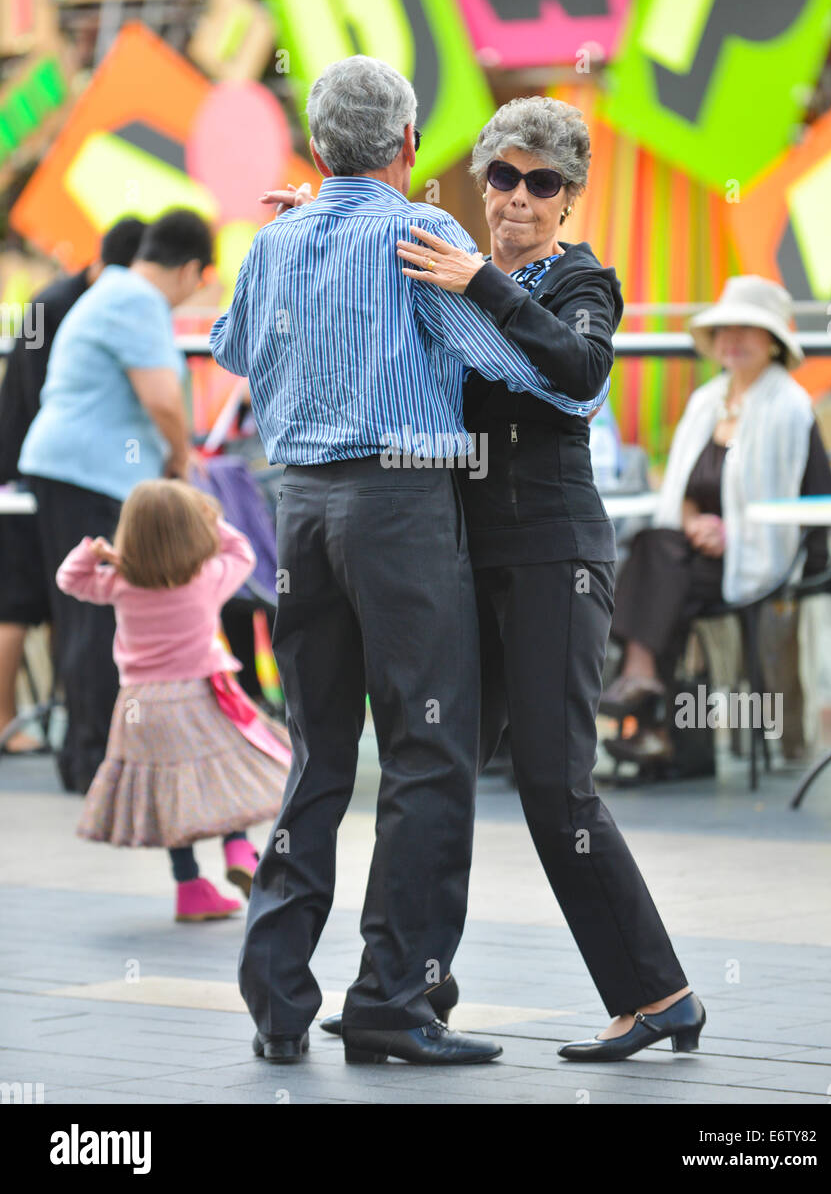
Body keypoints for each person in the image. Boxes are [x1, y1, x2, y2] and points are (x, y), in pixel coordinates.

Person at [211, 57, 605, 1067]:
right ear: (410, 148)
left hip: (296, 512)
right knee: (430, 751)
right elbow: (545, 380)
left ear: (313, 150)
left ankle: (276, 996)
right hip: (402, 508)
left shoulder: (276, 238)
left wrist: (307, 241)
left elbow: (234, 348)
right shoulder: (427, 237)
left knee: (319, 753)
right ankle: (394, 995)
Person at [386, 96, 705, 1061]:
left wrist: (485, 282)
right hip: (466, 555)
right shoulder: (447, 264)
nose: (517, 199)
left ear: (569, 199)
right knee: (431, 773)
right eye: (502, 177)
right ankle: (403, 992)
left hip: (554, 556)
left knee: (554, 789)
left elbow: (578, 367)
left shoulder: (578, 280)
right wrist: (310, 221)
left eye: (541, 183)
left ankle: (658, 994)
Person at [603, 275, 831, 768]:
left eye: (746, 329)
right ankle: (653, 715)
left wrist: (735, 534)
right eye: (725, 328)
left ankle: (645, 706)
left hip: (759, 555)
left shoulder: (791, 408)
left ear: (771, 339)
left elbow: (817, 499)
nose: (732, 339)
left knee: (657, 557)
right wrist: (695, 524)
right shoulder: (706, 402)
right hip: (693, 554)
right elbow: (683, 491)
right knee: (659, 550)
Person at [18, 210, 213, 793]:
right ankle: (98, 765)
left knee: (84, 618)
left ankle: (86, 761)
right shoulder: (138, 301)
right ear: (190, 270)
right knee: (99, 620)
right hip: (86, 475)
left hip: (68, 468)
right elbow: (163, 402)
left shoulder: (115, 289)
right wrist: (180, 463)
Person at [56, 480, 293, 921]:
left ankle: (189, 887)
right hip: (199, 693)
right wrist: (214, 521)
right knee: (221, 774)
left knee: (170, 790)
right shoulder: (205, 577)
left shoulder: (119, 581)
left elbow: (69, 579)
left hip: (139, 705)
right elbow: (244, 553)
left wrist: (95, 550)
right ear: (193, 531)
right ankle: (239, 849)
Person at [0, 218, 145, 754]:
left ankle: (69, 717)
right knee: (18, 602)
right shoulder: (57, 305)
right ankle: (7, 722)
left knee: (64, 596)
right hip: (24, 475)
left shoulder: (74, 301)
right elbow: (47, 397)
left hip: (37, 470)